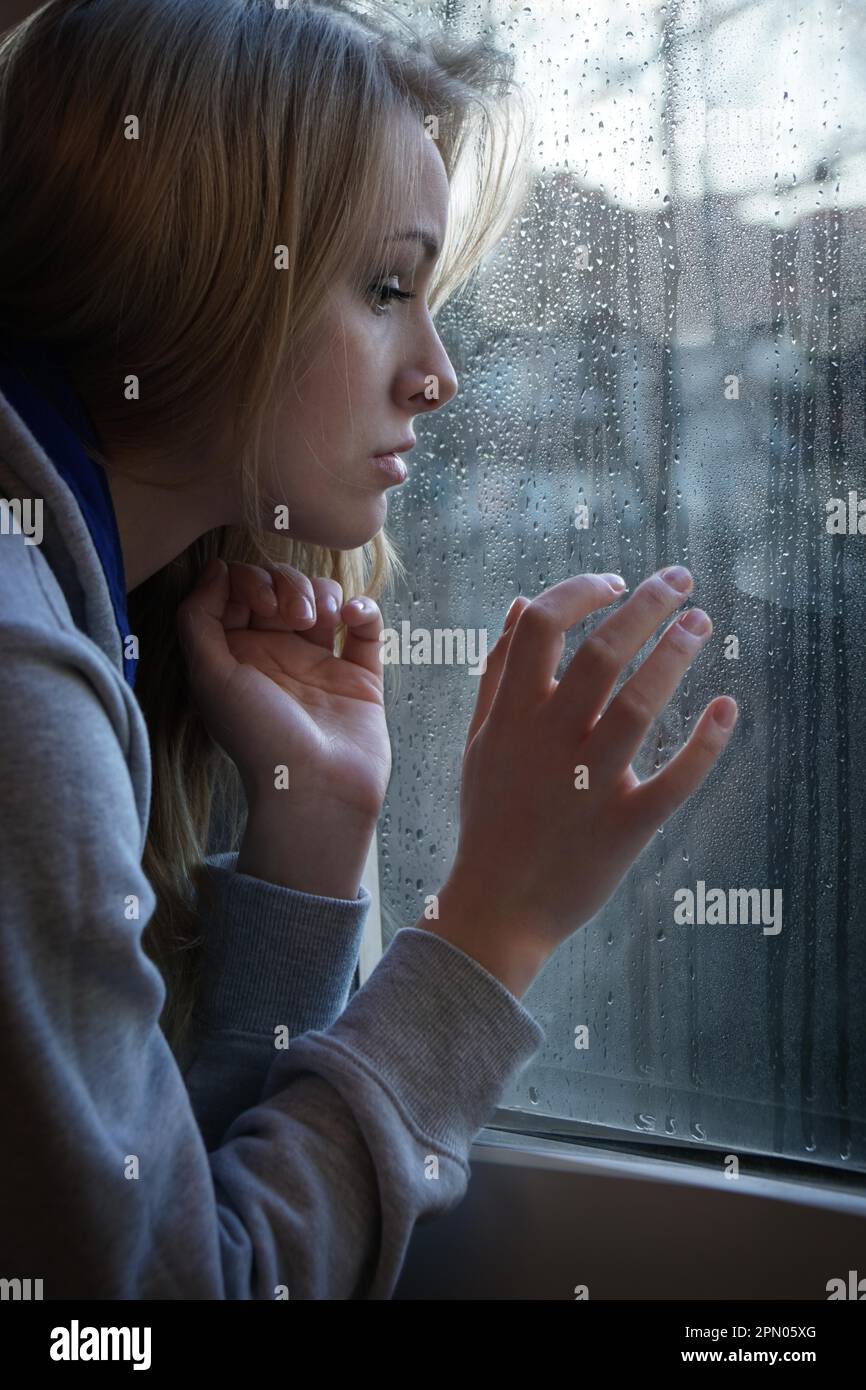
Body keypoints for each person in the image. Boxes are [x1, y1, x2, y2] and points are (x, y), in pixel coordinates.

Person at [0, 0, 737, 1299]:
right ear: (190, 269)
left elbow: (166, 1209)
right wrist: (490, 929)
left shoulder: (69, 615)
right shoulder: (23, 685)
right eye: (386, 288)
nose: (436, 372)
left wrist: (311, 836)